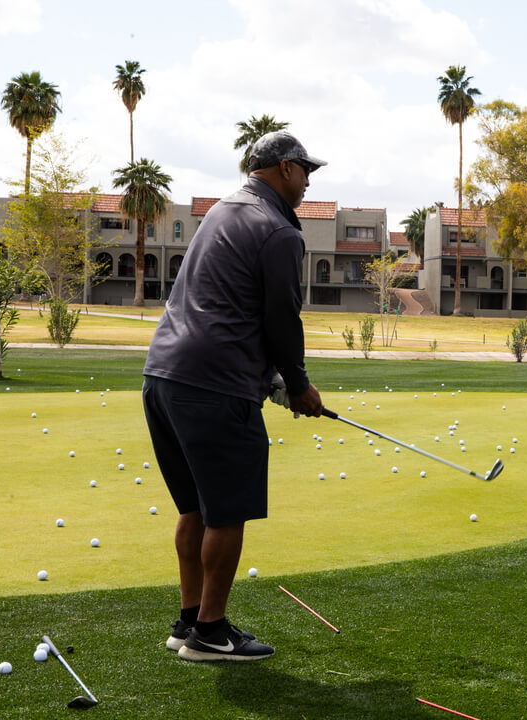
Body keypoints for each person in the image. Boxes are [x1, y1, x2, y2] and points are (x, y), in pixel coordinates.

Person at [141, 130, 326, 662]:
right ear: (285, 168)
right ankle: (210, 633)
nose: (309, 181)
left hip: (163, 376)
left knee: (196, 506)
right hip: (213, 387)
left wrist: (264, 378)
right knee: (227, 512)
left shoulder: (222, 210)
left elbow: (223, 304)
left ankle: (187, 621)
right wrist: (297, 385)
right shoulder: (278, 230)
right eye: (306, 170)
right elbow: (281, 321)